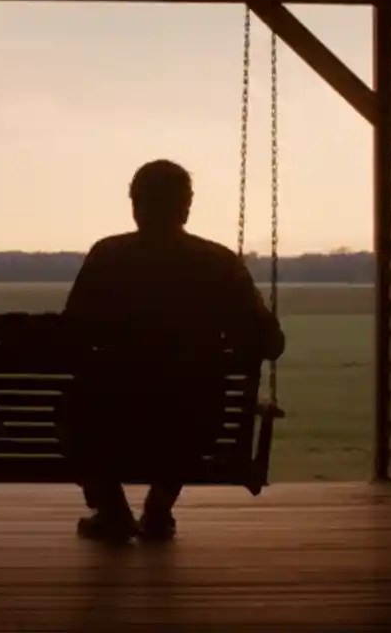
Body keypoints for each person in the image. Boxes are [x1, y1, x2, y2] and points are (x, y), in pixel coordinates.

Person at [62, 159, 286, 543]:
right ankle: (158, 509)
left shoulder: (107, 257)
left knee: (77, 409)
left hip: (111, 421)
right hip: (191, 426)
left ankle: (113, 510)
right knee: (189, 401)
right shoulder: (218, 262)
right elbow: (270, 343)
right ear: (186, 206)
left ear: (135, 206)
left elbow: (71, 332)